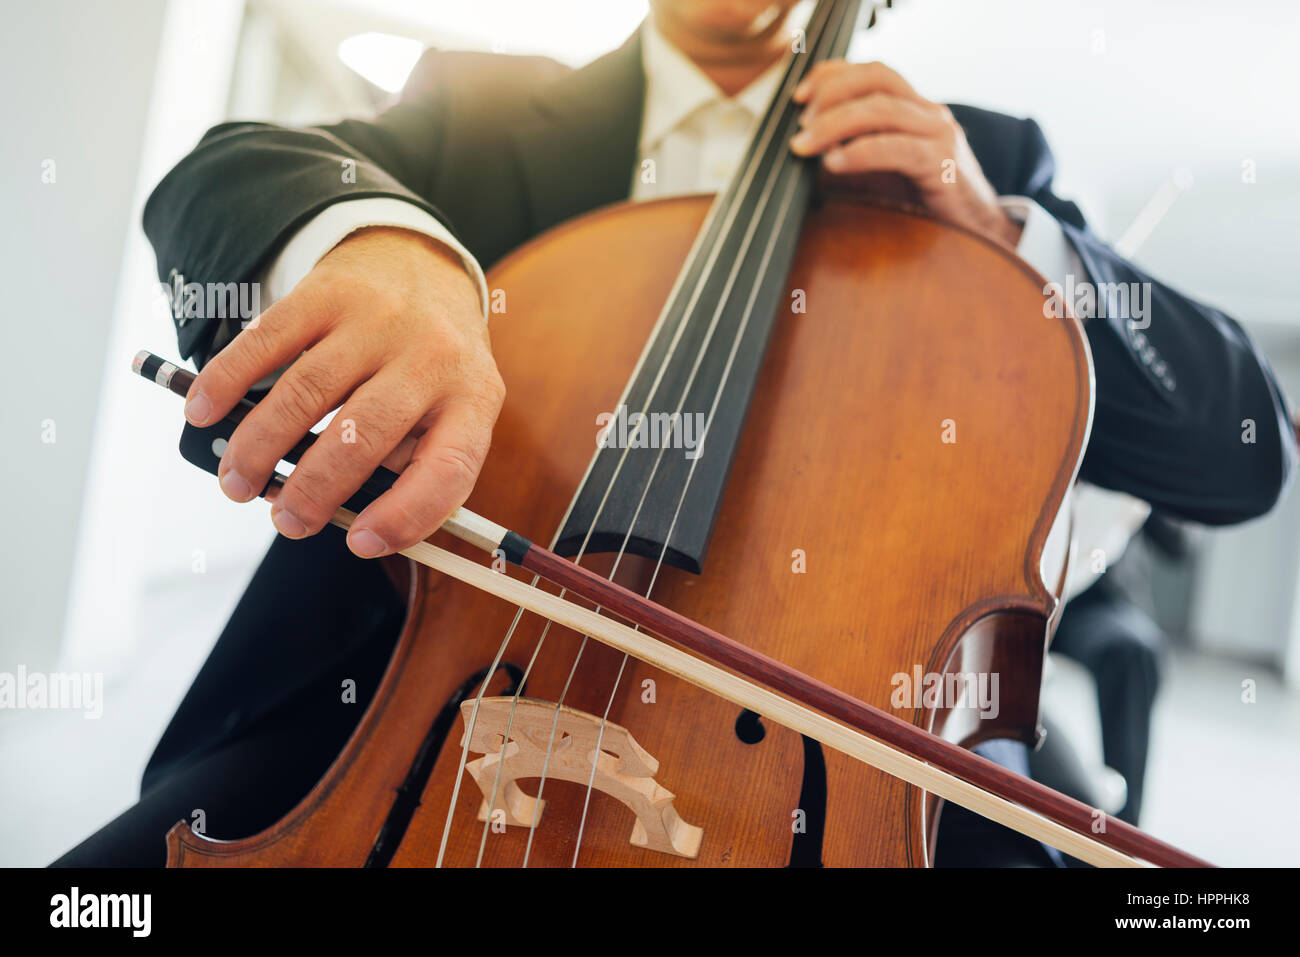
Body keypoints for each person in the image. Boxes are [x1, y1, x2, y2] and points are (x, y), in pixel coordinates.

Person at [53, 0, 1294, 866]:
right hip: (400, 702)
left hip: (847, 748)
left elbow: (1242, 445)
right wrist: (387, 251)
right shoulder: (480, 100)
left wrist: (1005, 242)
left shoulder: (984, 158)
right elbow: (227, 176)